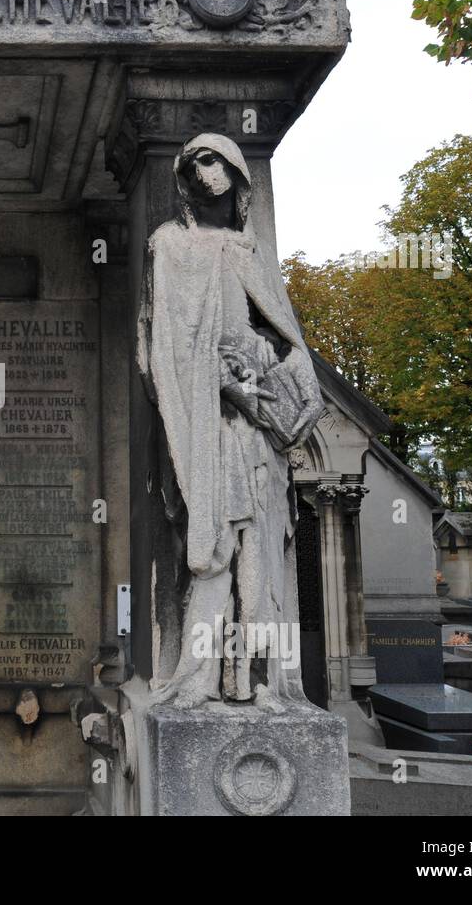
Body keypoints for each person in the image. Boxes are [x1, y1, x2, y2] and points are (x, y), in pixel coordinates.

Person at [137, 133, 323, 710]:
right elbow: (162, 347)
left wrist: (274, 381)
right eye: (194, 163)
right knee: (212, 551)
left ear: (238, 175)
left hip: (258, 431)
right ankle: (198, 676)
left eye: (215, 160)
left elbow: (286, 340)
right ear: (183, 179)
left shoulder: (248, 251)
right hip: (208, 424)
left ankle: (257, 680)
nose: (205, 172)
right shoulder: (168, 245)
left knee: (260, 556)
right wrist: (223, 384)